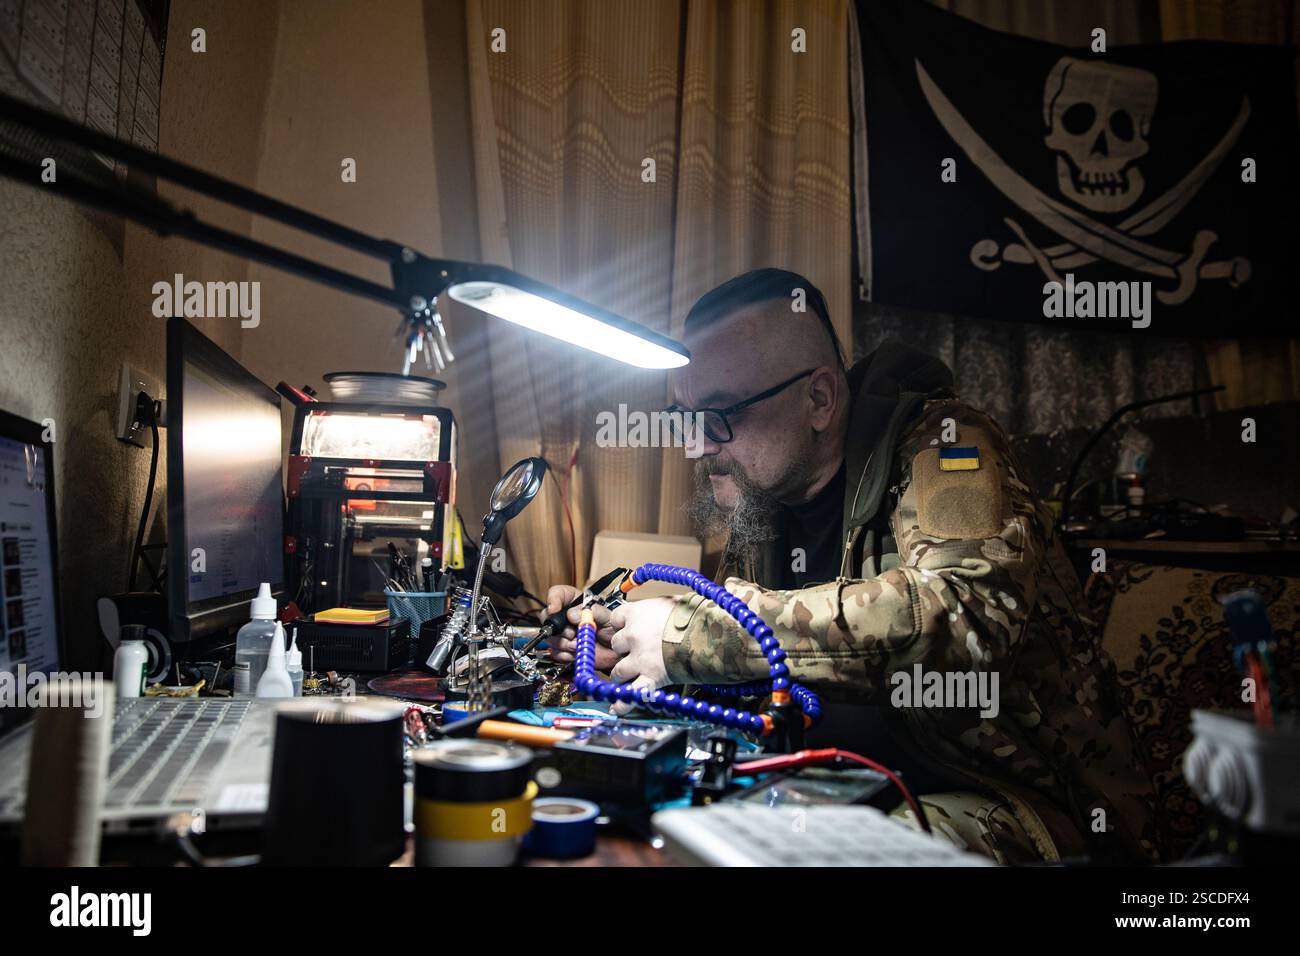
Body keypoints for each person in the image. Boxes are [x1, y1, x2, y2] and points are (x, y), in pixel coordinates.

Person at [545, 268, 1159, 864]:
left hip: (1026, 805)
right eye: (686, 417)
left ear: (818, 398)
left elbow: (965, 613)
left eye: (722, 414)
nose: (696, 445)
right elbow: (769, 659)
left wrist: (691, 634)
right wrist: (626, 641)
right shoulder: (765, 501)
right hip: (843, 775)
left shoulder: (951, 447)